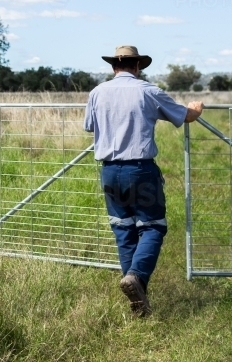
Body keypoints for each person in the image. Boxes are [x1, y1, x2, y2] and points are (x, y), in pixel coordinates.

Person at [83, 45, 203, 317]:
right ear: (138, 67)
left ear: (114, 67)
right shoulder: (149, 91)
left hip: (109, 171)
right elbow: (186, 116)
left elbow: (89, 126)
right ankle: (135, 278)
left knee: (124, 230)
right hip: (140, 170)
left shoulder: (97, 93)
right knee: (152, 227)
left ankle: (137, 299)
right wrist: (196, 108)